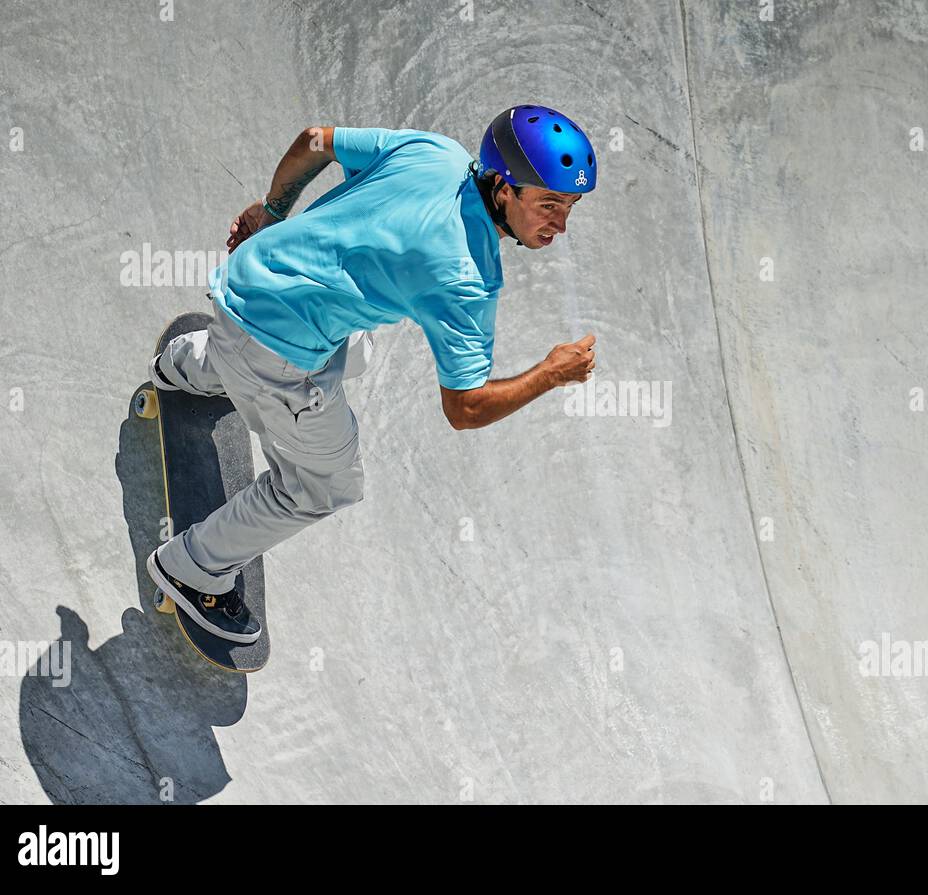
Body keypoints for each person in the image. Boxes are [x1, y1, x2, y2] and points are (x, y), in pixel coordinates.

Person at [146, 105, 599, 644]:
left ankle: (186, 365)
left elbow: (315, 140)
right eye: (549, 204)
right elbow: (465, 408)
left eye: (570, 206)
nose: (560, 224)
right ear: (503, 188)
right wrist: (550, 373)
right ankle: (190, 568)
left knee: (356, 350)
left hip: (242, 280)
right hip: (277, 354)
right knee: (327, 485)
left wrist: (270, 213)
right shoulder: (469, 278)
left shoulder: (436, 153)